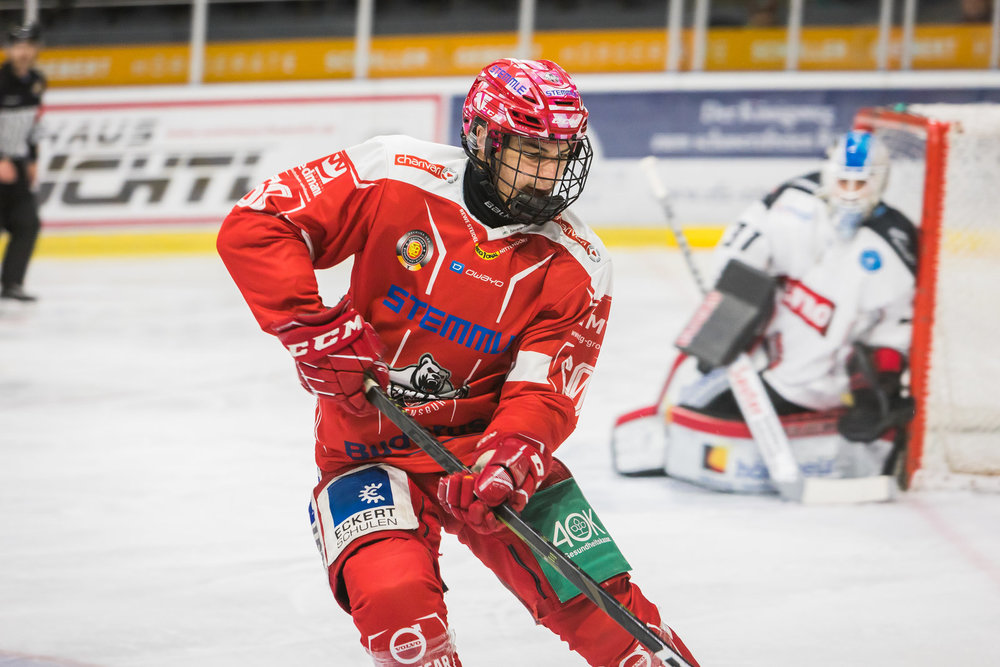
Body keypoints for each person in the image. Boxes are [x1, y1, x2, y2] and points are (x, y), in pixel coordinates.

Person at [217, 58, 699, 667]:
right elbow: (259, 224)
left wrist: (513, 457)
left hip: (485, 450)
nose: (548, 174)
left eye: (560, 155)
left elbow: (545, 390)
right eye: (531, 152)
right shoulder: (392, 173)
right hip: (366, 446)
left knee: (604, 608)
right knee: (396, 604)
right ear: (483, 139)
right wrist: (311, 330)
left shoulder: (579, 263)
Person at [612, 130, 917, 492]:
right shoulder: (794, 199)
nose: (850, 193)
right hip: (759, 355)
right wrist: (730, 316)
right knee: (693, 400)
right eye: (844, 181)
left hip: (815, 385)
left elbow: (892, 330)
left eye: (861, 183)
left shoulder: (894, 246)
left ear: (880, 182)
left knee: (709, 416)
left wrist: (874, 392)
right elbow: (740, 251)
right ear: (829, 174)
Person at [0, 22, 45, 302]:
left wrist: (32, 160)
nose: (23, 52)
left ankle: (11, 284)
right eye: (18, 46)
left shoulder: (37, 81)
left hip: (17, 164)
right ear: (8, 50)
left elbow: (34, 122)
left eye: (28, 46)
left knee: (27, 223)